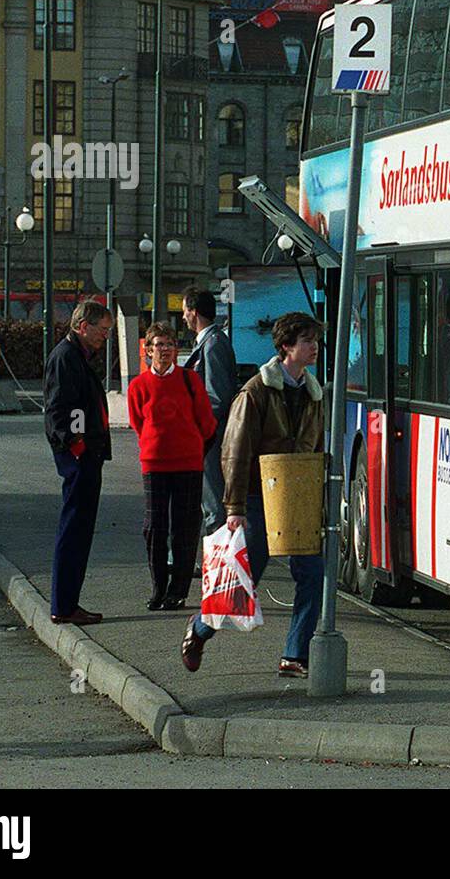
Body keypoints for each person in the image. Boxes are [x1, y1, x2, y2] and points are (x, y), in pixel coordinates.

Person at [181, 312, 326, 679]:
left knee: (312, 573)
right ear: (286, 347)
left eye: (316, 341)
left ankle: (294, 654)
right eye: (308, 341)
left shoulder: (313, 392)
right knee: (244, 577)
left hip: (297, 495)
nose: (315, 348)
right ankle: (199, 629)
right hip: (259, 496)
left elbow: (316, 448)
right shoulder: (255, 392)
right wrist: (234, 507)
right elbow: (235, 450)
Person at [127, 322, 216, 611]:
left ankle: (178, 591)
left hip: (188, 463)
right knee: (155, 527)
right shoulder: (138, 386)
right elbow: (137, 423)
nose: (164, 350)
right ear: (148, 349)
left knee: (185, 527)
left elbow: (206, 423)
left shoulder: (190, 380)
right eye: (158, 344)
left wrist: (191, 447)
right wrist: (155, 444)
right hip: (154, 464)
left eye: (169, 344)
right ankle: (158, 588)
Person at [42, 300, 113, 626]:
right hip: (79, 457)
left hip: (83, 455)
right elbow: (62, 409)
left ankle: (67, 602)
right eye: (102, 330)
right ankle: (64, 604)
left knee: (78, 530)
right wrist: (78, 446)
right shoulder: (67, 358)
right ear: (83, 326)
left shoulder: (74, 356)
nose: (105, 337)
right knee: (74, 530)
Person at [182, 288, 236, 537]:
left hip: (209, 436)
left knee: (214, 501)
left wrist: (197, 428)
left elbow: (217, 395)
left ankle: (218, 563)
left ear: (194, 312)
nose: (183, 317)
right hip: (207, 435)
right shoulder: (210, 341)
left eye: (184, 311)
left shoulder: (213, 344)